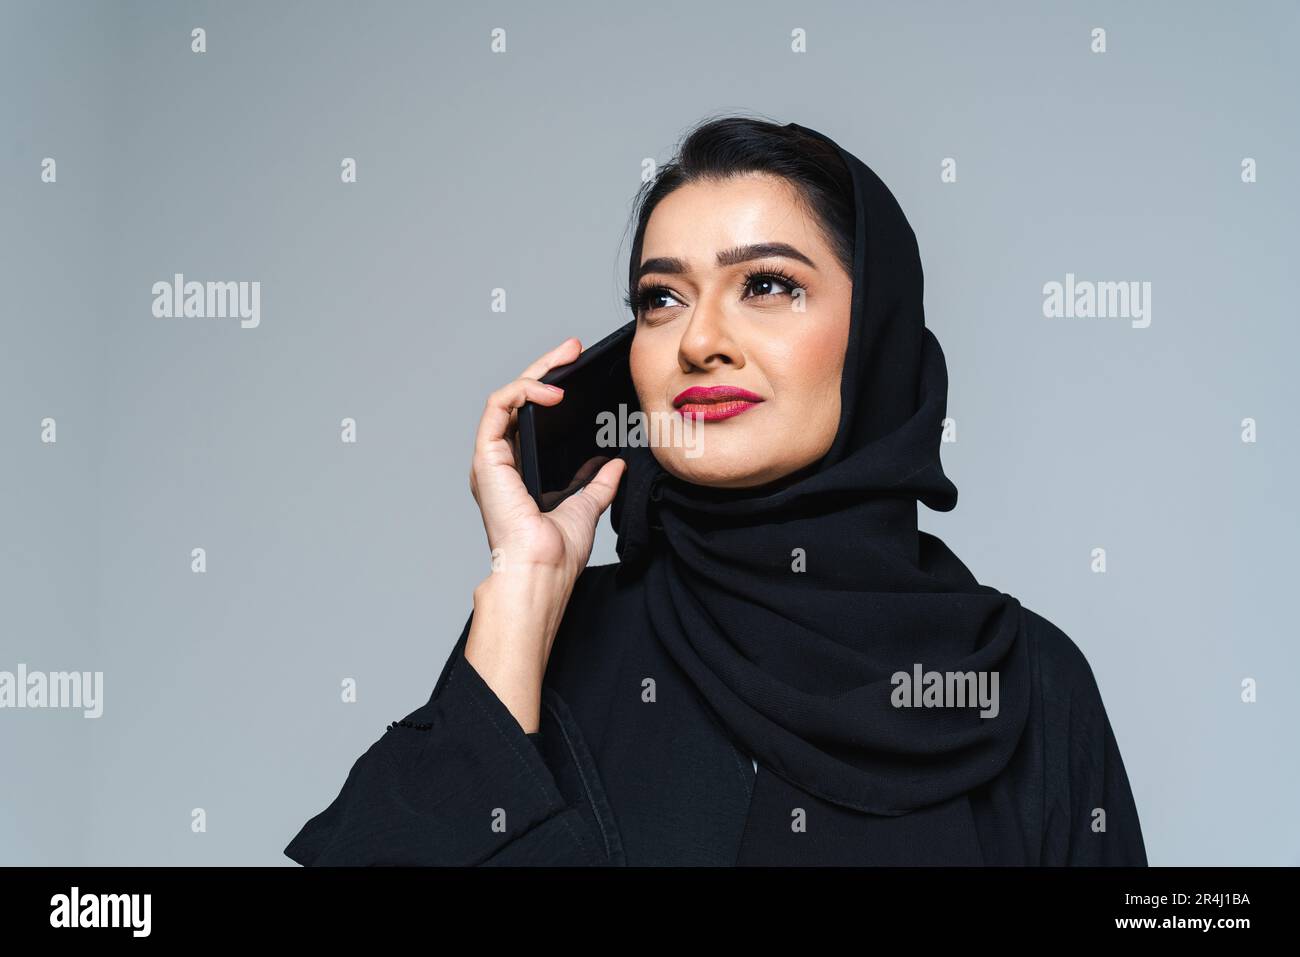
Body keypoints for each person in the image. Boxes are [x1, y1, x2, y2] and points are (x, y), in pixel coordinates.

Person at [283, 116, 1148, 866]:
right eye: (662, 298)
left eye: (767, 285)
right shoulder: (553, 640)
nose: (700, 339)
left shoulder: (1023, 681)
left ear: (876, 333)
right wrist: (518, 592)